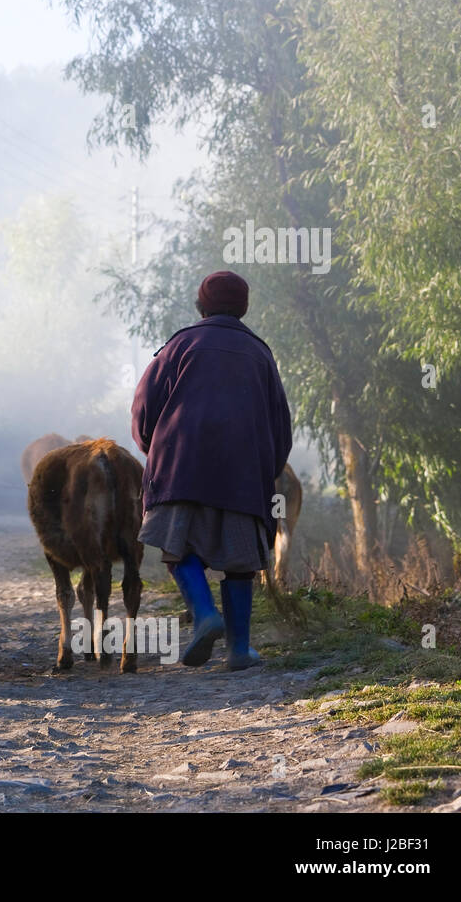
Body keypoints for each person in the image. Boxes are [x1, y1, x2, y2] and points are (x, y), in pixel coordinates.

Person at [130, 270, 292, 669]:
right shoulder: (260, 354)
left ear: (201, 305)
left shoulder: (180, 345)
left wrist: (157, 454)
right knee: (241, 563)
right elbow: (280, 425)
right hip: (242, 476)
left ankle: (205, 615)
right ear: (244, 307)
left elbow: (143, 408)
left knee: (176, 547)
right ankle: (238, 650)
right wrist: (264, 470)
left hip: (181, 467)